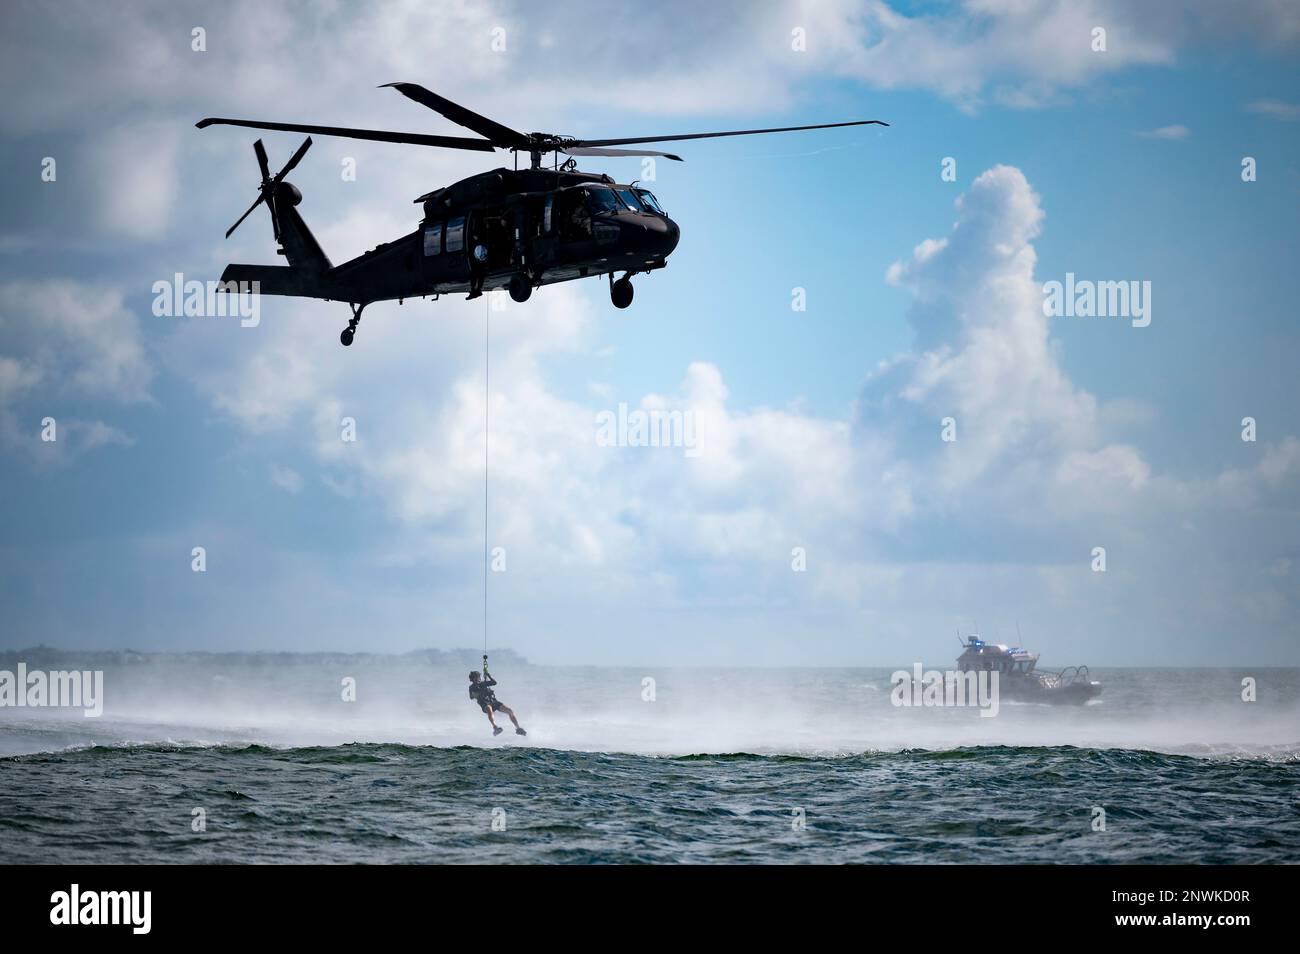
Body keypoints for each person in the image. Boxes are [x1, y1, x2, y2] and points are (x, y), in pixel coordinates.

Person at [468, 664, 525, 736]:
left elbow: (494, 682)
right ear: (472, 679)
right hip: (485, 703)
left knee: (510, 711)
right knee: (489, 708)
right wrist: (477, 694)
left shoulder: (484, 683)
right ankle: (495, 727)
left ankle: (518, 728)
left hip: (494, 702)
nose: (477, 679)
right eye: (475, 678)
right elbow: (471, 697)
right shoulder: (472, 687)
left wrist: (488, 675)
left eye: (478, 677)